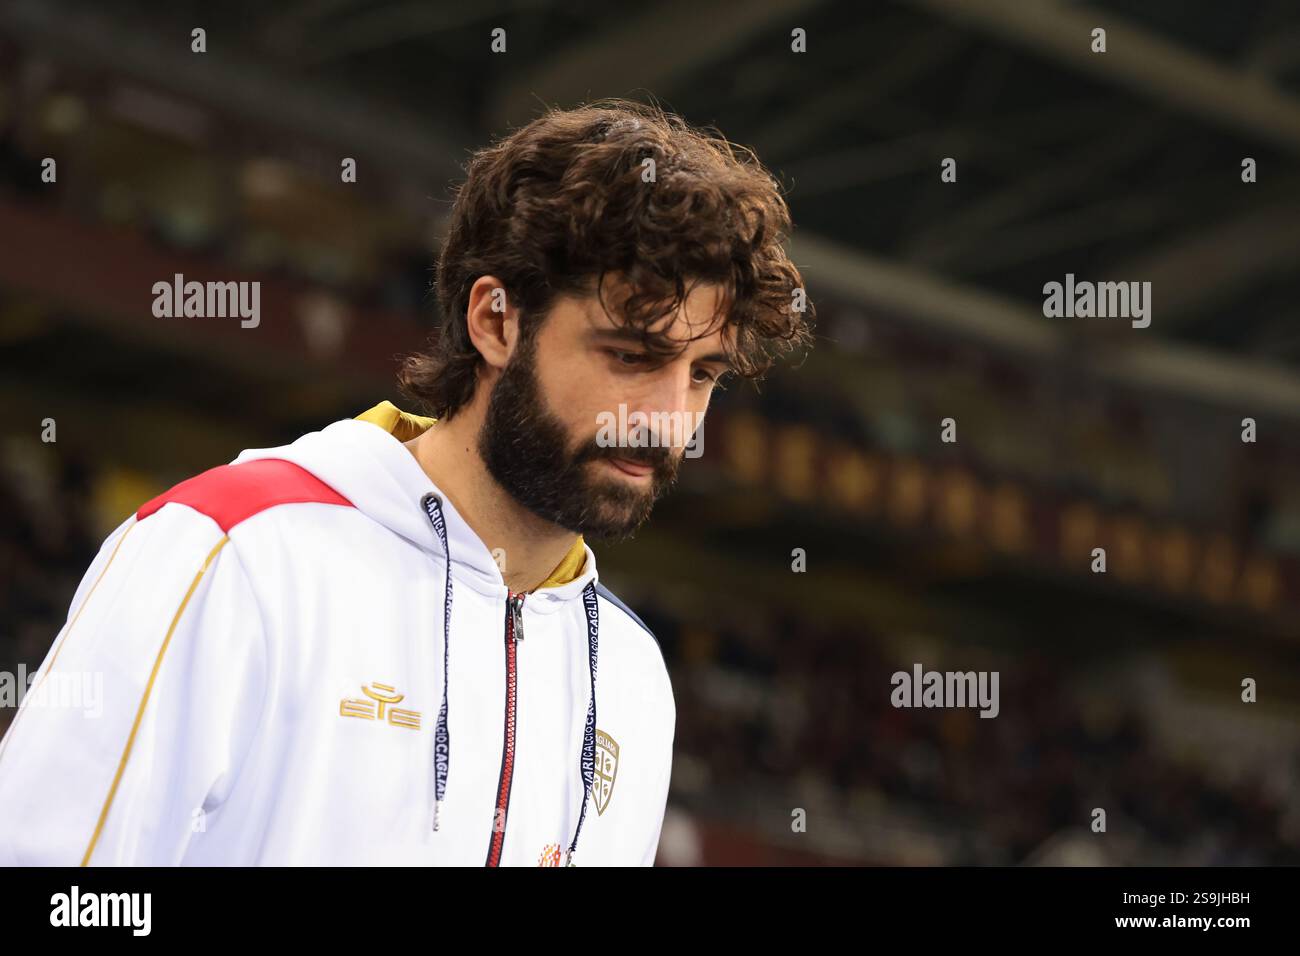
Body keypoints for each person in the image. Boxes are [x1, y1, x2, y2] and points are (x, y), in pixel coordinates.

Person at [0, 98, 814, 866]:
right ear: (496, 320)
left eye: (703, 374)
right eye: (631, 355)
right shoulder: (232, 555)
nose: (668, 421)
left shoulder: (632, 677)